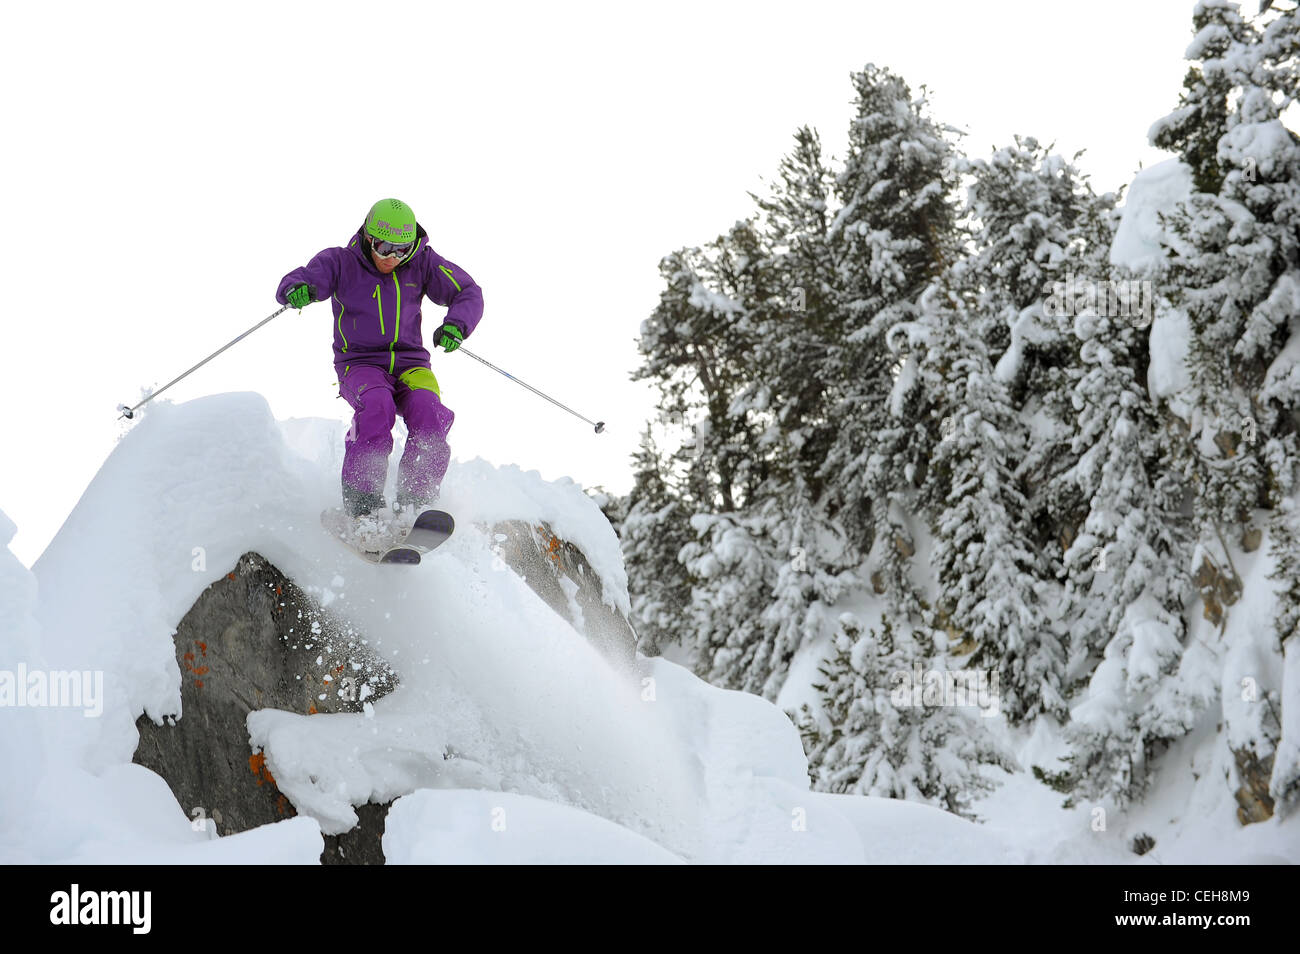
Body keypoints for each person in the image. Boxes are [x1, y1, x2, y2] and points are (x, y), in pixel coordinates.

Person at [276, 198, 483, 519]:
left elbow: (467, 291)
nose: (393, 257)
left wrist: (457, 324)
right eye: (385, 247)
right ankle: (362, 506)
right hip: (359, 365)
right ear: (368, 238)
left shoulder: (422, 263)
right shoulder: (341, 262)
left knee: (430, 415)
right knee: (377, 409)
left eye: (403, 249)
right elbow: (302, 278)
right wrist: (296, 289)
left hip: (411, 364)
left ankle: (416, 503)